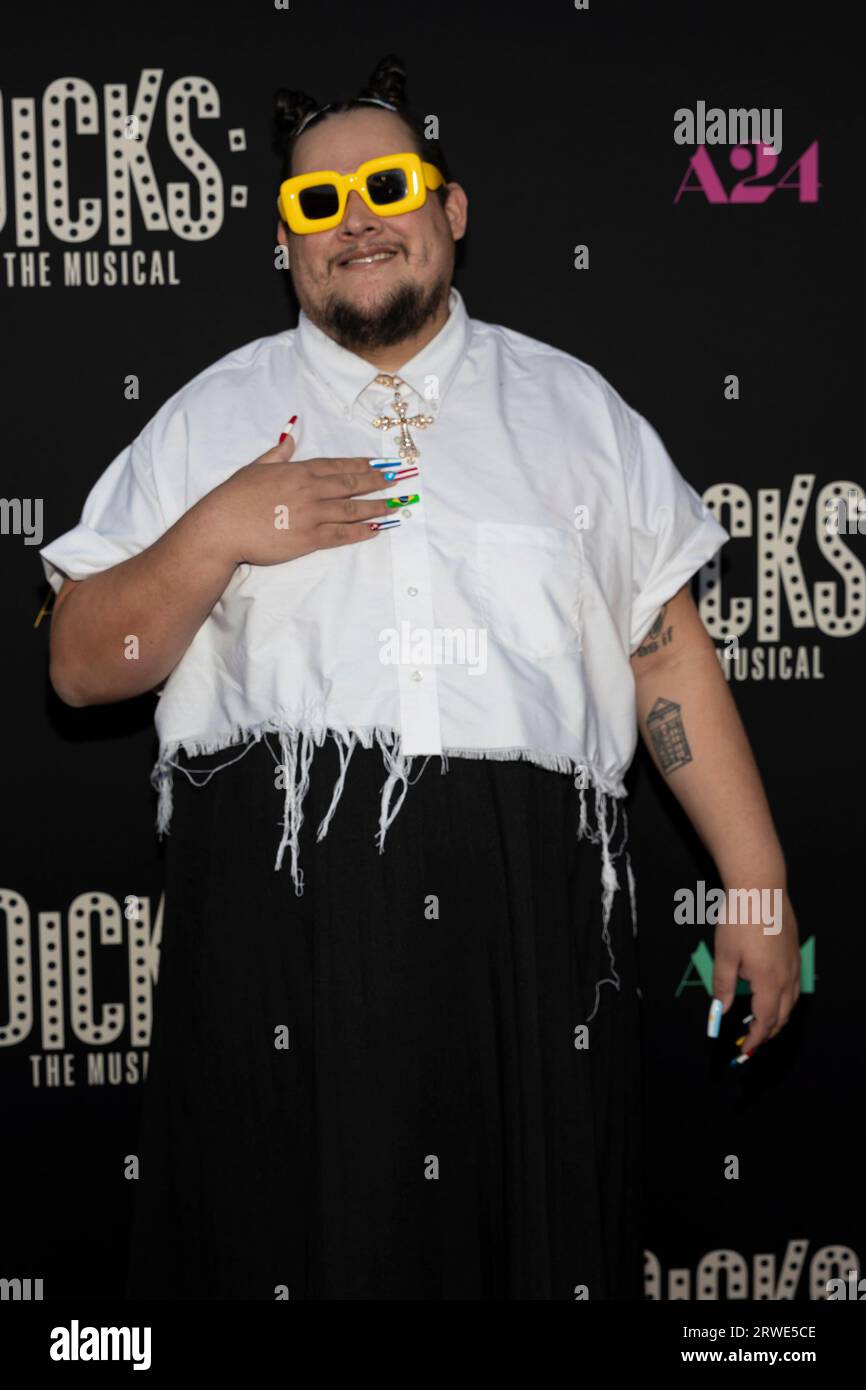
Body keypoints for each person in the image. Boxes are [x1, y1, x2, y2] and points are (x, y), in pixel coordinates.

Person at [40, 54, 801, 1300]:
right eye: (312, 202)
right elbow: (79, 670)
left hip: (530, 922)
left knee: (529, 1245)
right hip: (275, 925)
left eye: (386, 184)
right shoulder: (205, 420)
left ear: (450, 211)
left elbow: (661, 650)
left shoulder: (578, 413)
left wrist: (756, 889)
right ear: (283, 242)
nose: (353, 220)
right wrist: (218, 528)